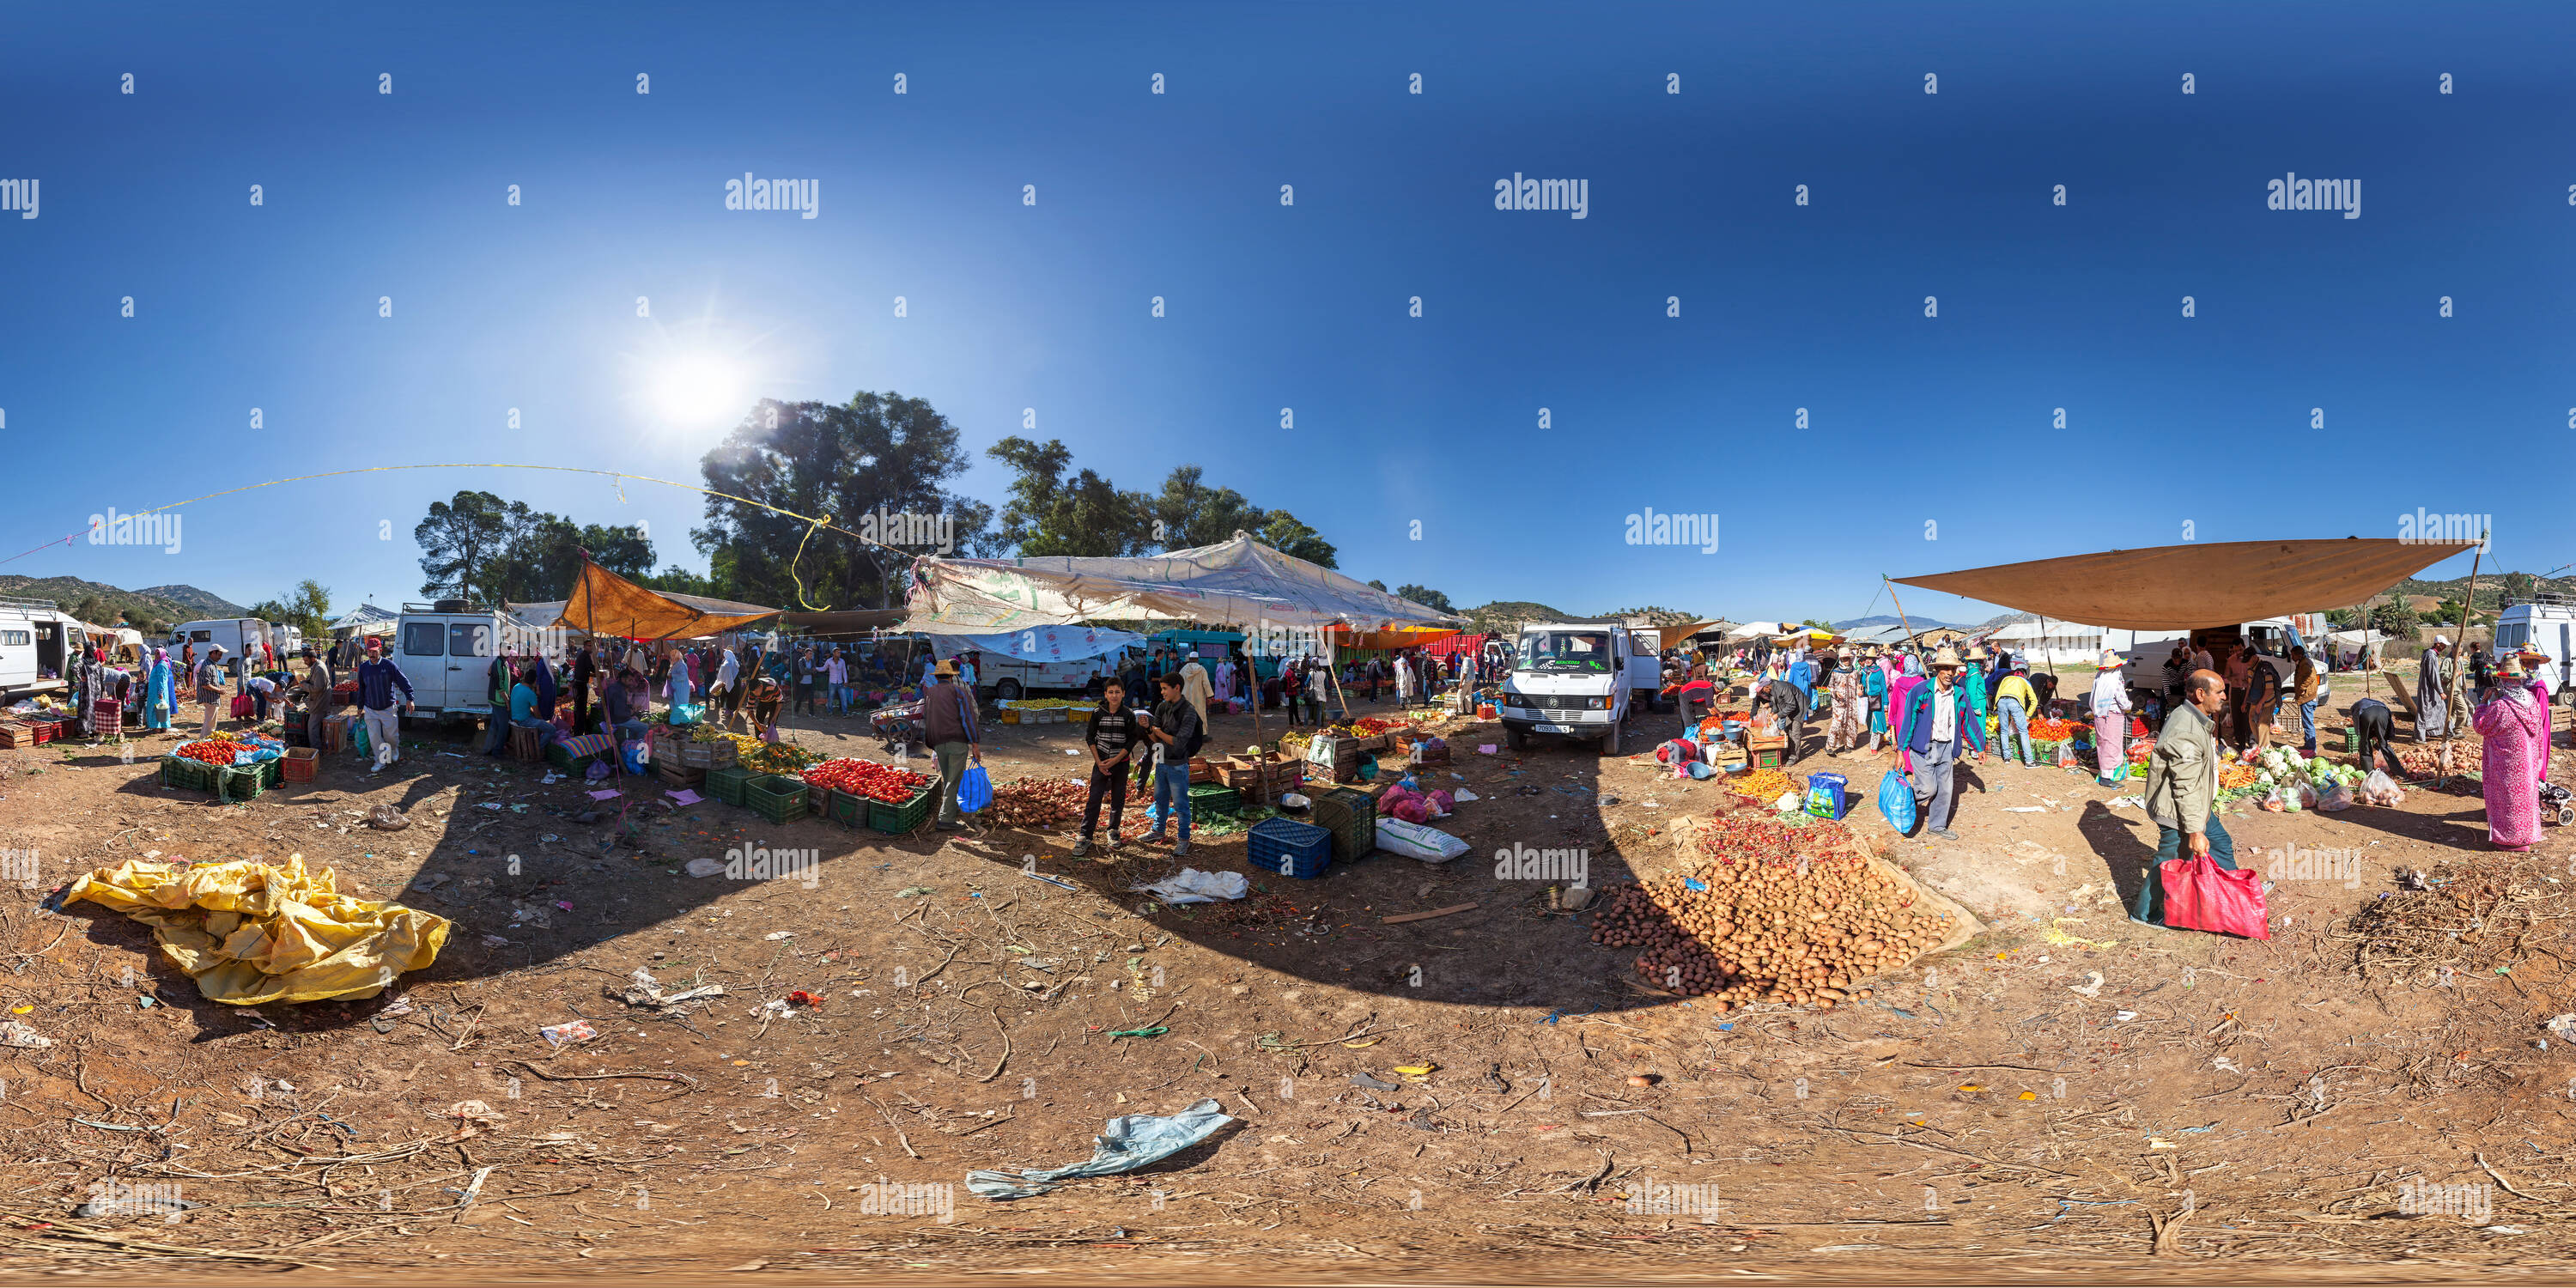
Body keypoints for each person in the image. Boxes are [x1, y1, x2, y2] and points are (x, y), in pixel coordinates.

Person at [2135, 670, 2238, 926]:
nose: (2225, 696)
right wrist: (2193, 831)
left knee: (2221, 842)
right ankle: (2145, 913)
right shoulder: (2186, 728)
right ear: (2201, 694)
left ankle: (2233, 892)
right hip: (2178, 809)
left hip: (2196, 805)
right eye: (2220, 692)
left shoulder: (2197, 718)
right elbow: (2185, 785)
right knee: (2170, 859)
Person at [1895, 647, 1985, 841]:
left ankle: (1936, 825)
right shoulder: (1920, 691)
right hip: (1923, 747)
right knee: (1928, 789)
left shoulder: (1958, 694)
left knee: (1945, 790)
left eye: (1952, 669)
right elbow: (1909, 721)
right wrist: (1901, 750)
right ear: (1937, 669)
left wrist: (1980, 747)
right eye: (1945, 668)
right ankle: (1903, 803)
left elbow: (1968, 722)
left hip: (1946, 748)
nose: (1949, 673)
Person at [2474, 654, 2546, 849]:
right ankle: (2526, 837)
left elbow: (2481, 726)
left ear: (2504, 681)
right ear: (2520, 680)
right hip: (2528, 762)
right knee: (2524, 801)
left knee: (2508, 800)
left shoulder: (2501, 707)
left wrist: (2483, 702)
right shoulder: (2531, 700)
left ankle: (2509, 840)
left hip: (2506, 765)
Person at [1072, 677, 1145, 857]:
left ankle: (1113, 830)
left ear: (1124, 694)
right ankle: (1085, 835)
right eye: (1110, 692)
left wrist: (1115, 761)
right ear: (1105, 694)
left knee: (1118, 799)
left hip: (1120, 763)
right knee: (1094, 799)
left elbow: (1132, 740)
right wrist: (1099, 762)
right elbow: (1090, 738)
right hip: (1101, 762)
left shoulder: (1128, 714)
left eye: (1117, 692)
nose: (1114, 695)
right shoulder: (1098, 712)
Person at [1141, 672, 1204, 857]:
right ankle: (1158, 830)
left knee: (1181, 805)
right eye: (1161, 689)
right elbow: (1155, 739)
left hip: (1178, 763)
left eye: (1164, 689)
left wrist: (1157, 732)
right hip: (1161, 760)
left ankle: (1184, 839)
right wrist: (1147, 728)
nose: (1162, 692)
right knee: (1160, 800)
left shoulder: (1189, 711)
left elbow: (1178, 742)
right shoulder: (1161, 707)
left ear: (1177, 688)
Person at [922, 659, 982, 831]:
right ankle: (945, 820)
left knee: (949, 778)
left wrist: (931, 743)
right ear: (950, 676)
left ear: (938, 676)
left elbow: (928, 718)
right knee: (954, 780)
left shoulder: (930, 693)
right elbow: (968, 719)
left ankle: (950, 809)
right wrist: (975, 744)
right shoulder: (959, 692)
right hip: (957, 742)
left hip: (939, 742)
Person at [2090, 649, 2134, 782]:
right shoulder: (2115, 679)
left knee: (2103, 743)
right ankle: (2107, 776)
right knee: (2112, 743)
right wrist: (2129, 706)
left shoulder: (2100, 676)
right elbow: (2122, 700)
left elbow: (2093, 696)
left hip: (2099, 714)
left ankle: (2107, 770)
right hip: (2112, 716)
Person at [1753, 671, 1811, 765]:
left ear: (1767, 686)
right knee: (1788, 730)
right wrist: (1773, 713)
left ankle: (1794, 756)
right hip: (1789, 708)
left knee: (1795, 732)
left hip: (1799, 706)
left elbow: (1792, 705)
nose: (1762, 692)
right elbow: (1776, 704)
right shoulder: (1771, 691)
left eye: (1762, 689)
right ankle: (1788, 753)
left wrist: (1778, 715)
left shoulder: (1782, 688)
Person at [2348, 696, 2407, 780]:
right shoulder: (2379, 704)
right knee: (2384, 744)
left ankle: (2368, 773)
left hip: (2366, 715)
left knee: (2364, 743)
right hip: (2383, 714)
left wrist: (2365, 737)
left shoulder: (2356, 708)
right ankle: (2401, 773)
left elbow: (2358, 727)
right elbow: (2388, 729)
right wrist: (2381, 740)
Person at [1994, 662, 2039, 765]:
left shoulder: (2006, 679)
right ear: (2024, 674)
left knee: (2004, 730)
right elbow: (2034, 701)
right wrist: (2028, 715)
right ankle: (2029, 761)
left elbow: (1998, 693)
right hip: (2015, 702)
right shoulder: (2025, 681)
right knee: (2023, 731)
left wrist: (1996, 708)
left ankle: (2007, 757)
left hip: (2001, 701)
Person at [1824, 652, 1866, 755]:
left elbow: (1857, 684)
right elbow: (1830, 687)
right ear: (1841, 660)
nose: (1847, 661)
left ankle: (1848, 744)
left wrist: (1859, 688)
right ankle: (1829, 745)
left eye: (1848, 659)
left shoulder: (1854, 672)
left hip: (1851, 703)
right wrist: (1835, 693)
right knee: (1837, 723)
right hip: (1839, 703)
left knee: (1851, 723)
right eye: (1845, 659)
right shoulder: (1836, 672)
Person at [294, 648, 334, 751]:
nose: (305, 663)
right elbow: (313, 680)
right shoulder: (316, 665)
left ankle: (316, 750)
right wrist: (304, 681)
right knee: (319, 725)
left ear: (313, 658)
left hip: (320, 700)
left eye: (307, 661)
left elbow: (317, 688)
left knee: (312, 727)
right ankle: (321, 746)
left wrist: (304, 685)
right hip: (322, 699)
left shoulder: (319, 668)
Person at [2415, 636, 2451, 743]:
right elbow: (2433, 676)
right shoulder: (2431, 656)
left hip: (2430, 688)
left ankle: (2441, 731)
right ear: (2438, 644)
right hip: (2427, 689)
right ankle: (2419, 737)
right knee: (2424, 711)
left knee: (2438, 708)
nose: (2444, 647)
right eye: (2444, 645)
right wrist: (2440, 691)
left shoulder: (2432, 655)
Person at [2291, 646, 2322, 756]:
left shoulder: (2305, 663)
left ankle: (2311, 749)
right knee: (2307, 722)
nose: (2291, 657)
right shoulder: (2303, 662)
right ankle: (2308, 745)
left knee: (2308, 724)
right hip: (2309, 697)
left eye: (2293, 654)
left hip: (2307, 698)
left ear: (2298, 654)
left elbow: (2311, 677)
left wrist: (2302, 688)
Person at [193, 646, 230, 738]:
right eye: (219, 654)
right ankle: (205, 742)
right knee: (210, 725)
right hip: (209, 698)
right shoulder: (207, 666)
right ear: (213, 653)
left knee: (210, 722)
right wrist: (219, 690)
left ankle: (203, 741)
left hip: (212, 698)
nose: (220, 657)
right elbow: (205, 684)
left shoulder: (211, 664)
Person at [143, 647, 174, 733]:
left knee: (156, 709)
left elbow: (162, 679)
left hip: (158, 691)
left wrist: (160, 692)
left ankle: (157, 728)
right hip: (156, 690)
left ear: (162, 654)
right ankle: (162, 727)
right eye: (155, 653)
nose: (156, 655)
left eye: (158, 653)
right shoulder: (158, 663)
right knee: (161, 708)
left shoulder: (161, 665)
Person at [1180, 651, 1212, 728]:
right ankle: (1201, 733)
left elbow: (1179, 682)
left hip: (1186, 697)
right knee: (1200, 714)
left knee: (1186, 714)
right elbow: (1206, 684)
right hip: (1199, 698)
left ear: (1190, 659)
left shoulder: (1183, 669)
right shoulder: (1202, 670)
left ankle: (1187, 732)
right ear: (1197, 659)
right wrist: (1209, 696)